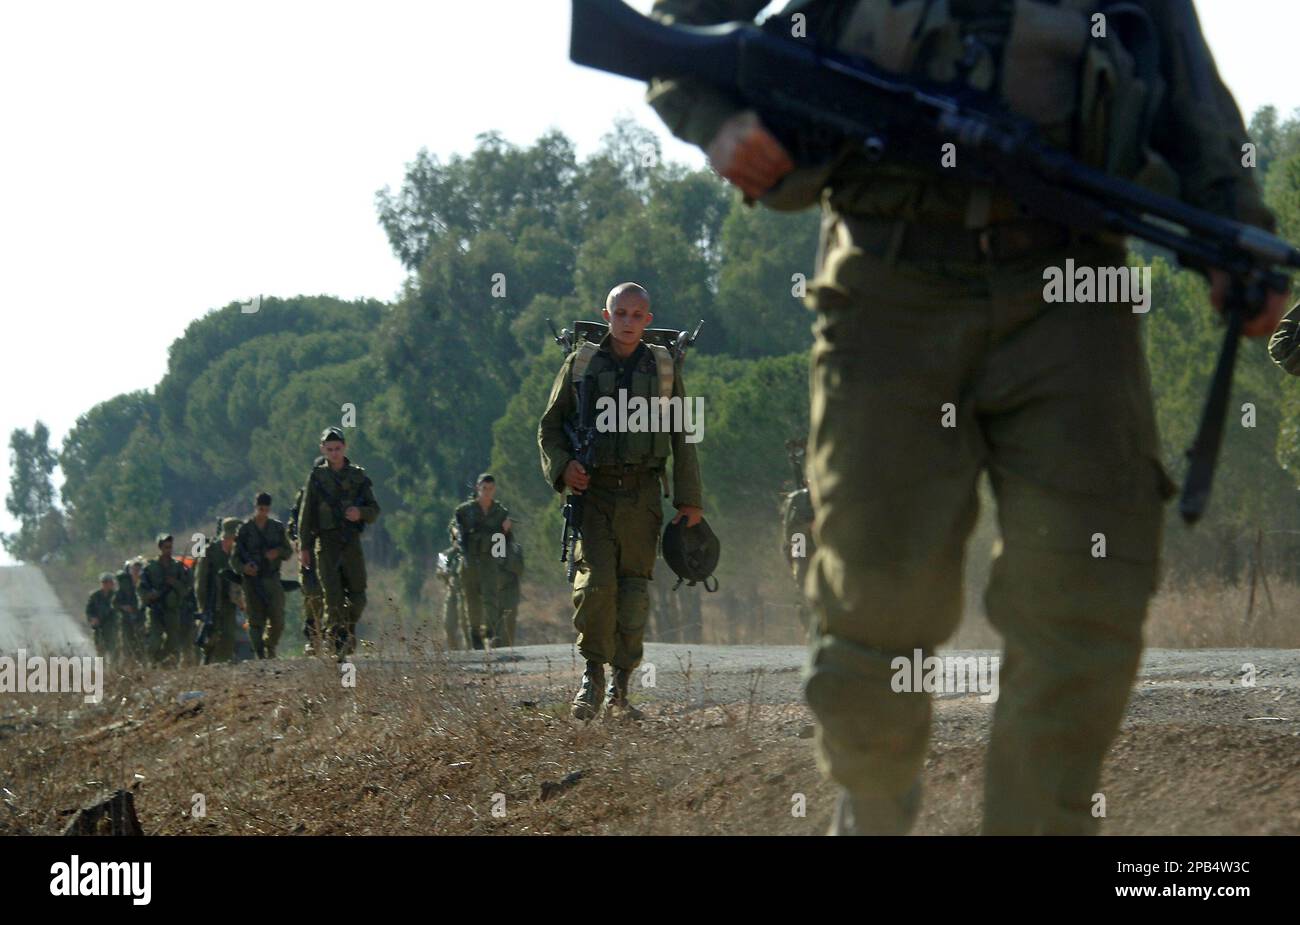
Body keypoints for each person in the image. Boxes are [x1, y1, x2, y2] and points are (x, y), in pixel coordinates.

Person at [644, 0, 1286, 833]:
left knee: (1088, 592)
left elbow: (1189, 86)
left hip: (1071, 283)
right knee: (874, 597)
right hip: (888, 277)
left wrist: (1239, 225)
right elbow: (679, 23)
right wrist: (715, 119)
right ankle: (869, 812)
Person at [538, 282, 704, 719]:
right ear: (607, 315)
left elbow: (684, 435)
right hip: (593, 494)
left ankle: (621, 688)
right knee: (597, 586)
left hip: (643, 496)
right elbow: (550, 429)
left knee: (633, 592)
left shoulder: (663, 369)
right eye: (620, 313)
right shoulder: (582, 364)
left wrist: (690, 501)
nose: (628, 322)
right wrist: (563, 468)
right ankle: (591, 678)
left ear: (647, 321)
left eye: (637, 315)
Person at [299, 427, 380, 660]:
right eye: (329, 449)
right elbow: (306, 515)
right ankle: (335, 644)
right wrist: (305, 547)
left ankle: (346, 629)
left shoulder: (358, 476)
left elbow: (374, 510)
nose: (334, 453)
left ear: (344, 447)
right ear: (322, 449)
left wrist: (360, 512)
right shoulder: (316, 478)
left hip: (351, 543)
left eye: (338, 448)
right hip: (326, 544)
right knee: (332, 598)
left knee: (358, 597)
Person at [450, 474, 514, 649]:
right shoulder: (464, 510)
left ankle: (491, 632)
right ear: (478, 488)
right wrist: (456, 534)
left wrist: (505, 531)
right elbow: (454, 529)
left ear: (494, 490)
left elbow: (504, 542)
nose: (487, 492)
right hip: (470, 558)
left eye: (490, 489)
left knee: (491, 596)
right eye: (484, 488)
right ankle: (475, 634)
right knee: (471, 599)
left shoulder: (500, 512)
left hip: (489, 559)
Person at [234, 492, 293, 659]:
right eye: (260, 508)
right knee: (255, 620)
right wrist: (244, 568)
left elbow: (288, 552)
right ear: (256, 507)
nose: (263, 512)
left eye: (266, 509)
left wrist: (277, 552)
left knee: (278, 620)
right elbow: (235, 559)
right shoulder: (245, 530)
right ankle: (260, 653)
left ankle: (270, 645)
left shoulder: (277, 528)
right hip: (252, 581)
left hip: (272, 578)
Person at [138, 533, 193, 667]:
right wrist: (150, 594)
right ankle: (153, 662)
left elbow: (186, 589)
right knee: (154, 642)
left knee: (173, 643)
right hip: (155, 609)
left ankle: (160, 662)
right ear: (160, 548)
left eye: (170, 547)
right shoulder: (150, 568)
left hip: (172, 610)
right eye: (166, 547)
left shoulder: (178, 567)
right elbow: (141, 589)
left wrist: (174, 583)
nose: (168, 550)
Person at [195, 517, 242, 664]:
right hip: (212, 600)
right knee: (211, 636)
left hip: (229, 600)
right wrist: (203, 607)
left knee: (228, 635)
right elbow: (200, 582)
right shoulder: (209, 551)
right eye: (233, 537)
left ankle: (222, 664)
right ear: (226, 536)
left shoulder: (238, 553)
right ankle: (207, 663)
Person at [289, 476, 326, 655]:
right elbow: (294, 523)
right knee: (312, 594)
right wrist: (298, 540)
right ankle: (313, 639)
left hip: (331, 549)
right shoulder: (304, 495)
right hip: (309, 552)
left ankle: (334, 637)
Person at [435, 544, 472, 649]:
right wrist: (444, 570)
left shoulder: (472, 553)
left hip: (469, 592)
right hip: (452, 591)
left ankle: (472, 652)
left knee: (467, 626)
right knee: (448, 625)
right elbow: (439, 573)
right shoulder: (445, 554)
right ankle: (454, 654)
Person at [114, 557, 145, 662]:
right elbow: (115, 603)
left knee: (141, 646)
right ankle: (128, 668)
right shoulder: (124, 586)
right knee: (127, 646)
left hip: (142, 620)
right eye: (134, 569)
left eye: (138, 570)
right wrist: (124, 607)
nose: (136, 572)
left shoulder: (145, 584)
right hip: (126, 621)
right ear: (129, 570)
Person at [85, 573, 118, 657]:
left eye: (110, 582)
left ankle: (113, 669)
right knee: (100, 650)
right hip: (99, 627)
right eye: (105, 582)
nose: (107, 584)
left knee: (113, 650)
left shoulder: (116, 595)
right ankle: (101, 669)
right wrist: (92, 619)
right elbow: (89, 610)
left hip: (112, 627)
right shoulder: (95, 596)